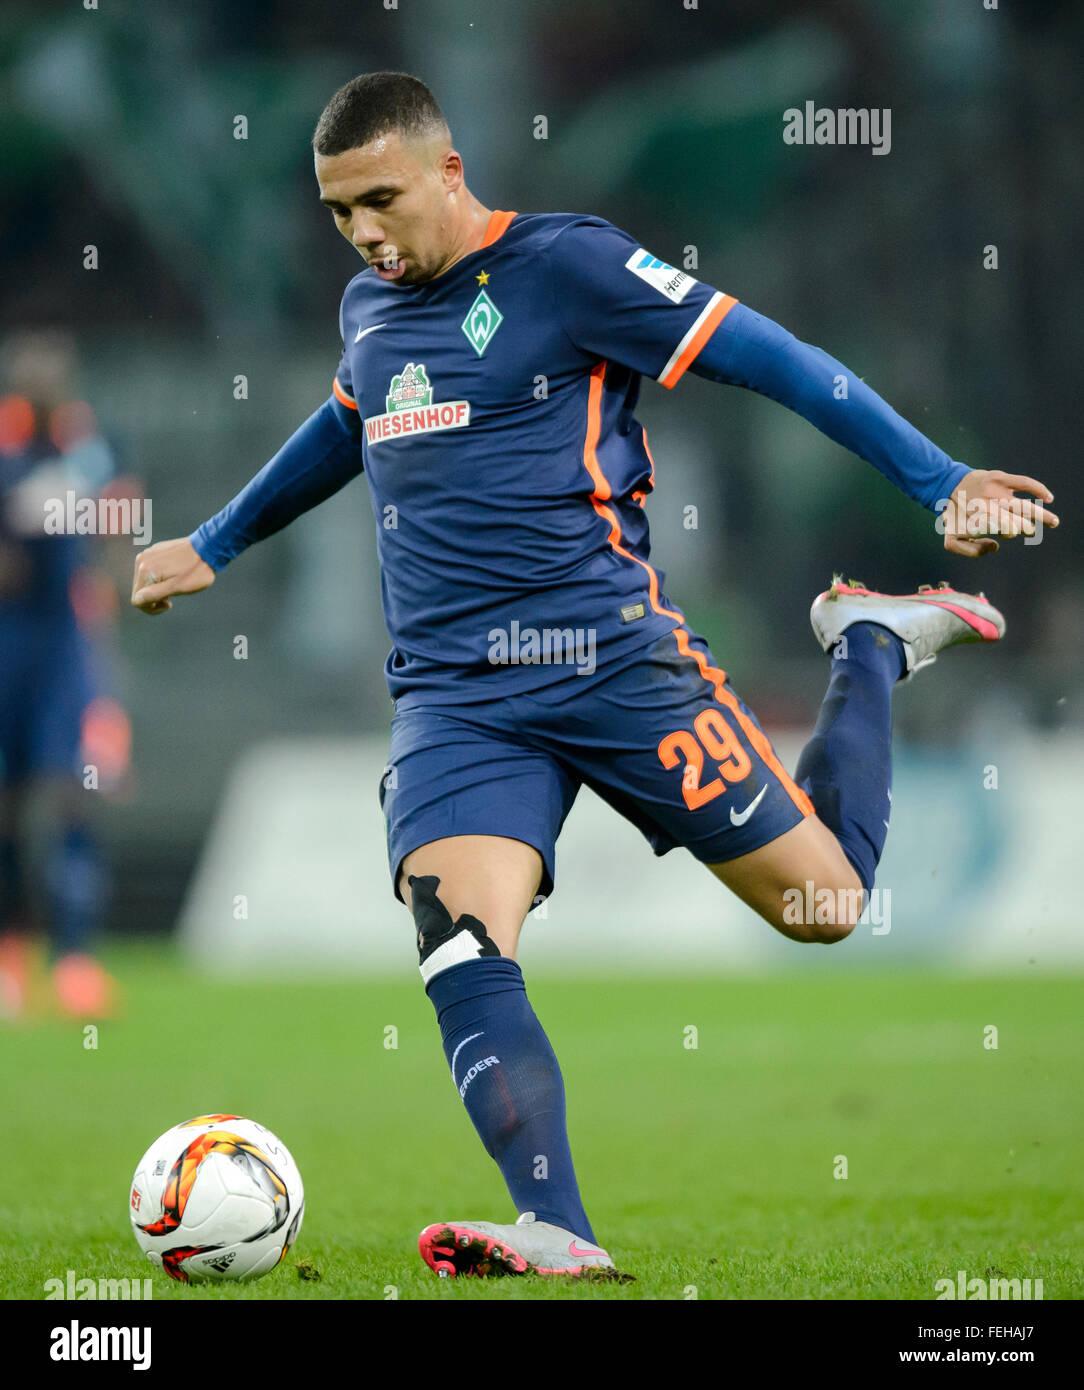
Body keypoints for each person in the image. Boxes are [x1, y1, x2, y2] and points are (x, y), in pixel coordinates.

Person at [131, 72, 1058, 1280]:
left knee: (825, 910)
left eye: (380, 199)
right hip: (456, 700)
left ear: (449, 172)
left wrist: (937, 480)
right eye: (337, 211)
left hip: (614, 661)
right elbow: (345, 424)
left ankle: (870, 645)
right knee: (457, 938)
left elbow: (772, 356)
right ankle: (555, 1224)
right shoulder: (372, 306)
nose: (361, 232)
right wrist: (215, 541)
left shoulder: (568, 268)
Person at [0, 331, 128, 1020]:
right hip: (8, 640)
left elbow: (119, 527)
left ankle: (75, 960)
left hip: (72, 648)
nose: (43, 378)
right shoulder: (5, 449)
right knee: (10, 805)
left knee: (80, 792)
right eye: (31, 366)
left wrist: (105, 587)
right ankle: (10, 956)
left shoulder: (95, 446)